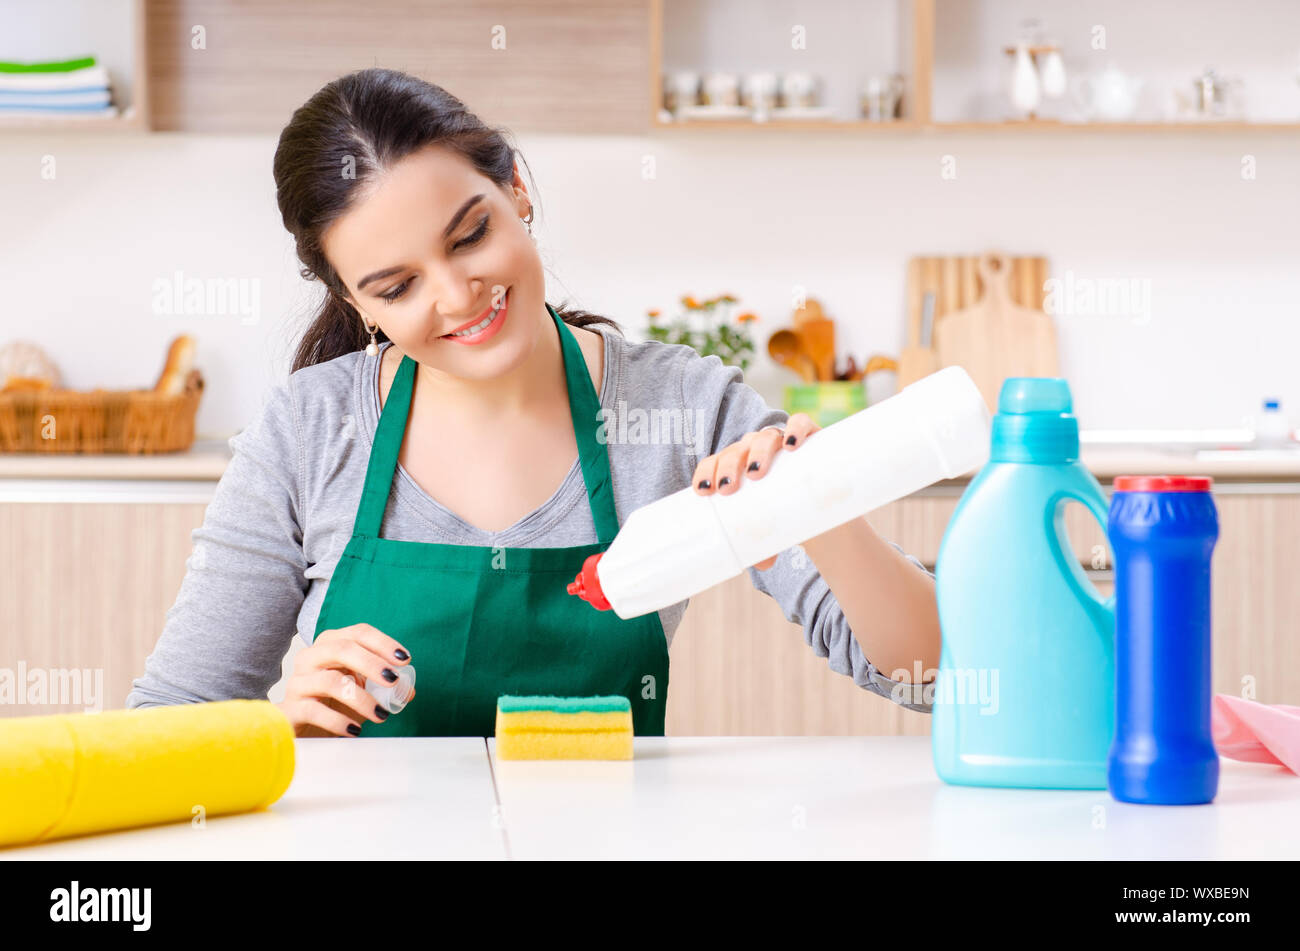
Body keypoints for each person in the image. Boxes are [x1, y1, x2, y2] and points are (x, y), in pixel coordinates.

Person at [127, 68, 940, 736]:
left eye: (469, 235)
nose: (455, 297)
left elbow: (932, 678)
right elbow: (164, 724)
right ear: (356, 302)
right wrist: (276, 723)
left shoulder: (684, 407)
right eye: (398, 286)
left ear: (516, 188)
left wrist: (820, 507)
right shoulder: (307, 429)